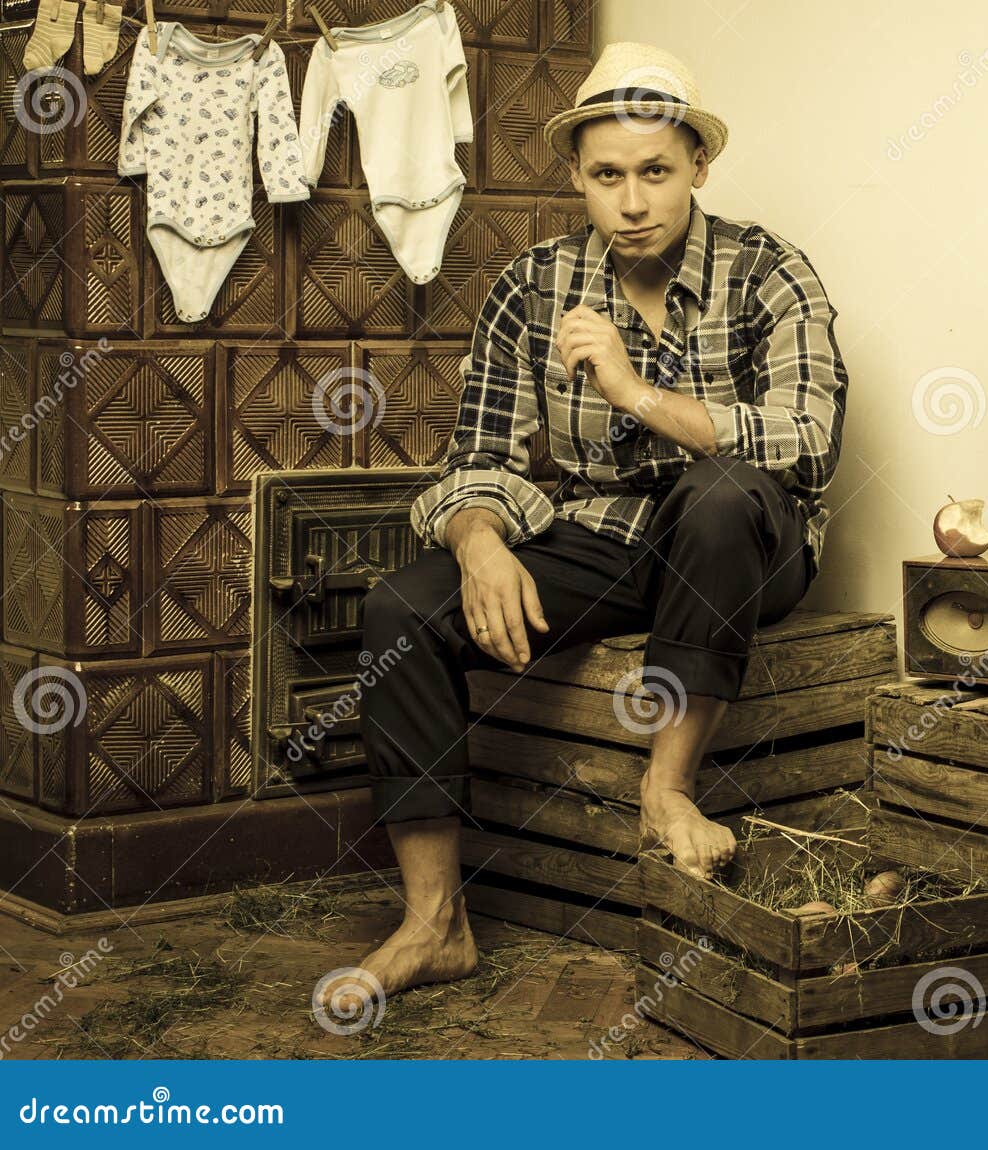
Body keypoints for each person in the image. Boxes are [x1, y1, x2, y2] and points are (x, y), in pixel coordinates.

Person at [316, 42, 849, 1010]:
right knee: (402, 609)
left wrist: (636, 391)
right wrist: (477, 541)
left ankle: (666, 789)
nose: (633, 201)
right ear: (576, 178)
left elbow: (810, 444)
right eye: (608, 176)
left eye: (655, 172)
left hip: (744, 544)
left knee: (720, 496)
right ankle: (436, 923)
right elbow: (476, 456)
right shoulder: (533, 286)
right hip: (607, 537)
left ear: (698, 165)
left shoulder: (768, 271)